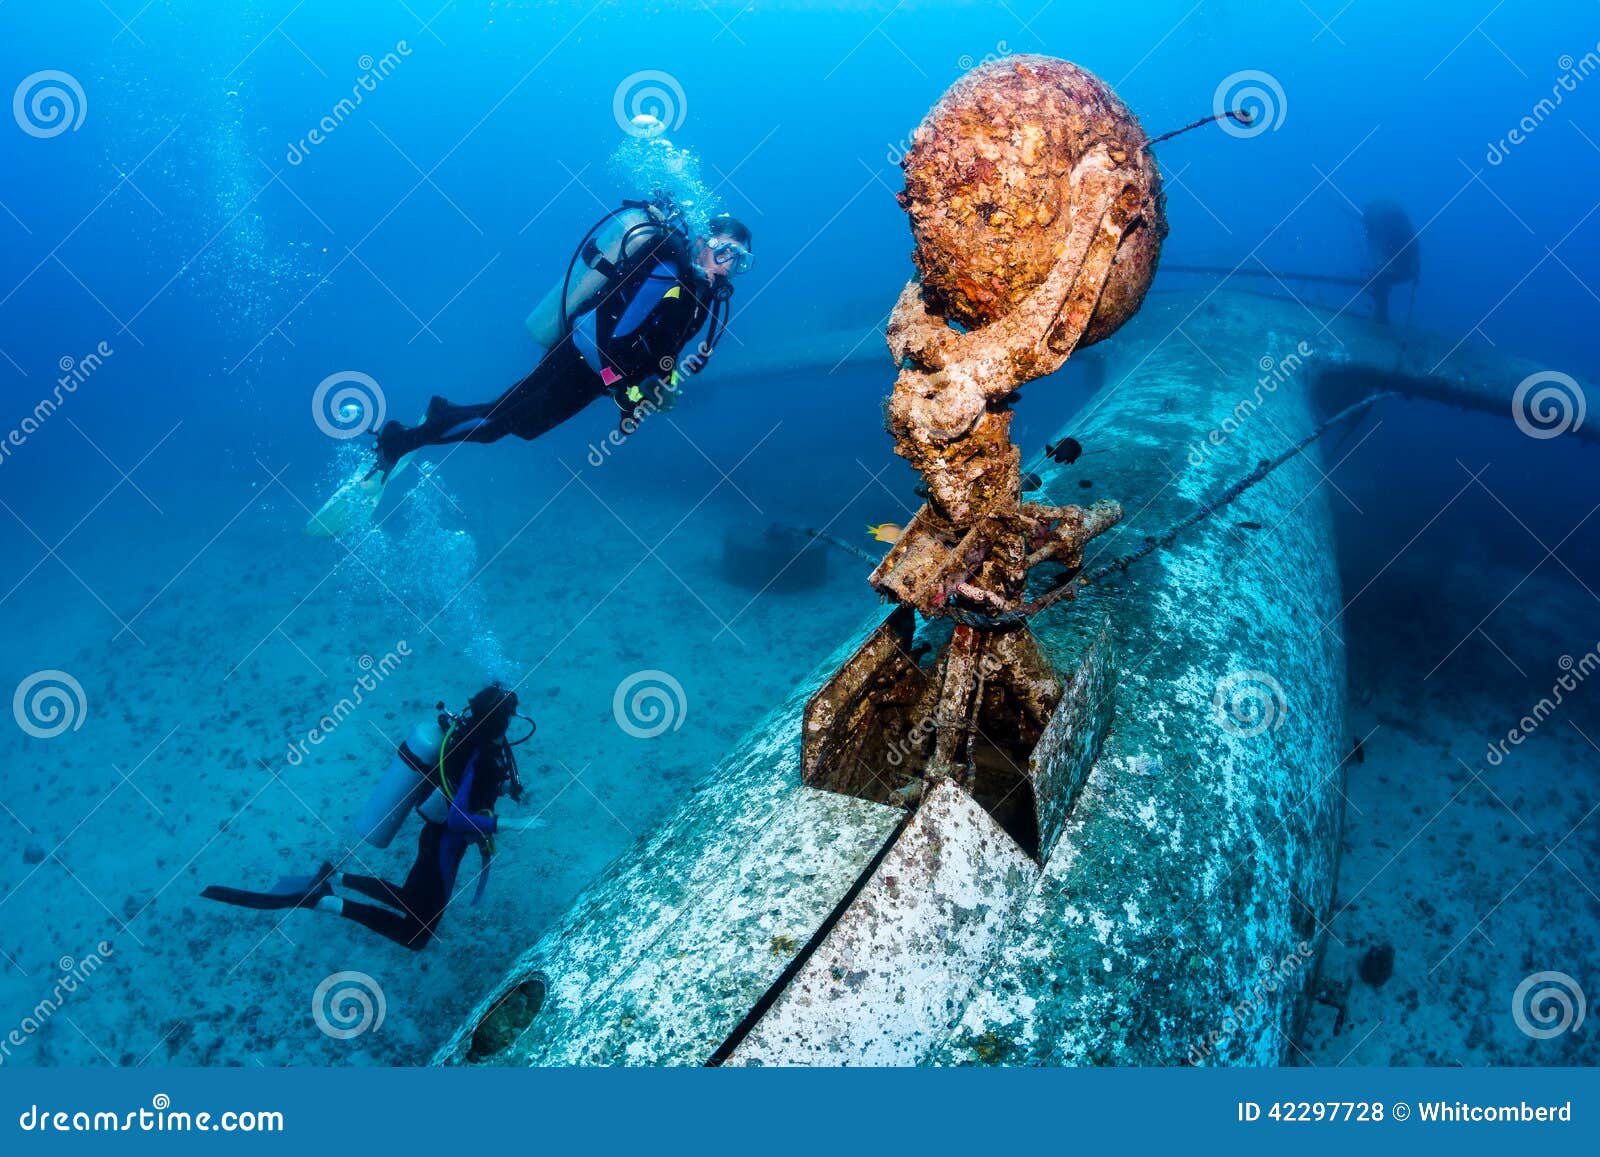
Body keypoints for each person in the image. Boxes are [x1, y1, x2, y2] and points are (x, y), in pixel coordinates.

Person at [372, 198, 753, 473]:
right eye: (724, 252)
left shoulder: (702, 297)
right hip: (578, 356)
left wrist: (652, 387)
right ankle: (400, 439)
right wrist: (627, 390)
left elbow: (666, 350)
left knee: (526, 427)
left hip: (599, 376)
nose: (729, 266)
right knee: (496, 424)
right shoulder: (670, 268)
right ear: (702, 243)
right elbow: (613, 337)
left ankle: (443, 412)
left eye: (740, 261)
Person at [203, 683, 541, 951]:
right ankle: (322, 900)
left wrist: (510, 791)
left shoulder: (484, 745)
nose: (515, 720)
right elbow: (456, 818)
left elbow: (480, 788)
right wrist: (509, 824)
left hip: (437, 843)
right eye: (511, 715)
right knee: (416, 936)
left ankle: (335, 878)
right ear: (502, 720)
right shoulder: (481, 754)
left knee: (411, 900)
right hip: (444, 847)